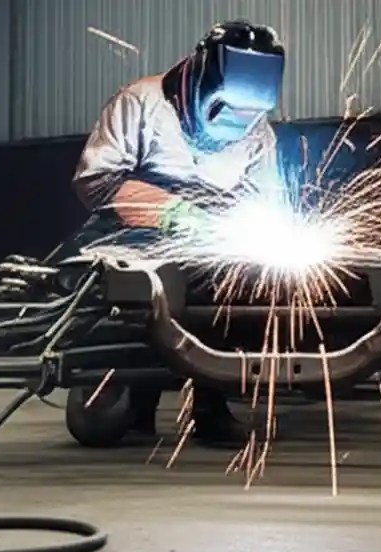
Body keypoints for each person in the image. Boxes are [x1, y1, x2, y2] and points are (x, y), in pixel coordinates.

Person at [60, 19, 287, 446]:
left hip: (213, 246)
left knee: (239, 283)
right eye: (227, 112)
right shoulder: (141, 102)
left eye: (249, 116)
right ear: (199, 78)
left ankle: (209, 406)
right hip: (134, 233)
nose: (237, 126)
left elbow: (265, 201)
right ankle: (125, 389)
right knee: (129, 295)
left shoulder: (259, 133)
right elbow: (97, 181)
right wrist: (175, 212)